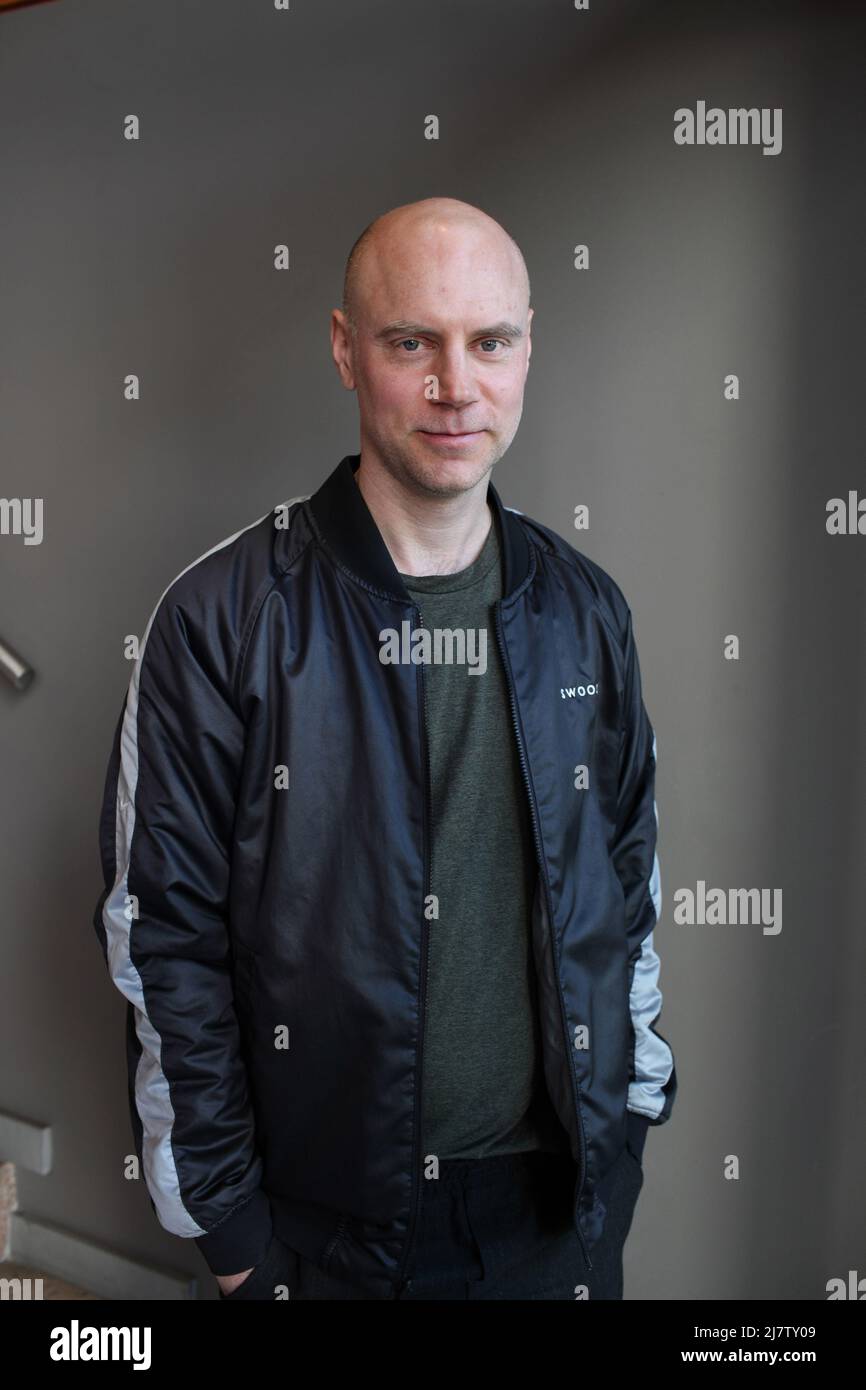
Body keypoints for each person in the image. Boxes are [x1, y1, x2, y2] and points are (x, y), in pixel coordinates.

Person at [93, 196, 677, 1301]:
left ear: (525, 350)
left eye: (488, 341)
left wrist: (628, 1125)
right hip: (324, 1238)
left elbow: (630, 890)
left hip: (558, 1214)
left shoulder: (585, 609)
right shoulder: (221, 616)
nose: (456, 385)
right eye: (412, 341)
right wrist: (231, 1240)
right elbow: (160, 939)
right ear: (346, 351)